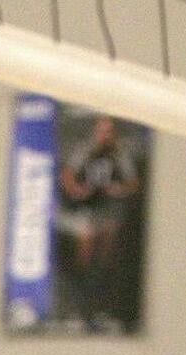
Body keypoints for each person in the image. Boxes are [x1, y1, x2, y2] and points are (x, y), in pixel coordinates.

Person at [57, 116, 140, 332]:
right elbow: (67, 176)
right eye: (102, 131)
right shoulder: (85, 152)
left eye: (109, 131)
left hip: (110, 213)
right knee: (83, 261)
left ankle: (104, 311)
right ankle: (79, 312)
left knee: (105, 263)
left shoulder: (119, 154)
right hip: (88, 212)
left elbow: (132, 184)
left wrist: (116, 190)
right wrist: (77, 190)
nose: (105, 136)